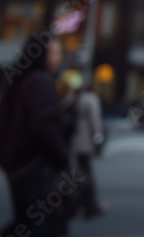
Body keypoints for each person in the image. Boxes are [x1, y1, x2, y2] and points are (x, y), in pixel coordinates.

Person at [0, 33, 74, 237]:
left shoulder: (21, 79)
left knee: (26, 223)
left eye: (59, 53)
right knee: (45, 226)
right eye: (53, 53)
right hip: (35, 167)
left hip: (19, 166)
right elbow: (44, 125)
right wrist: (63, 157)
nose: (58, 58)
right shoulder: (40, 81)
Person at [62, 78, 107, 219]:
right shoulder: (91, 99)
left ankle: (80, 203)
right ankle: (89, 204)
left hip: (72, 140)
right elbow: (95, 121)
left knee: (77, 172)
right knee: (86, 173)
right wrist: (97, 138)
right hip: (85, 140)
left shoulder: (71, 98)